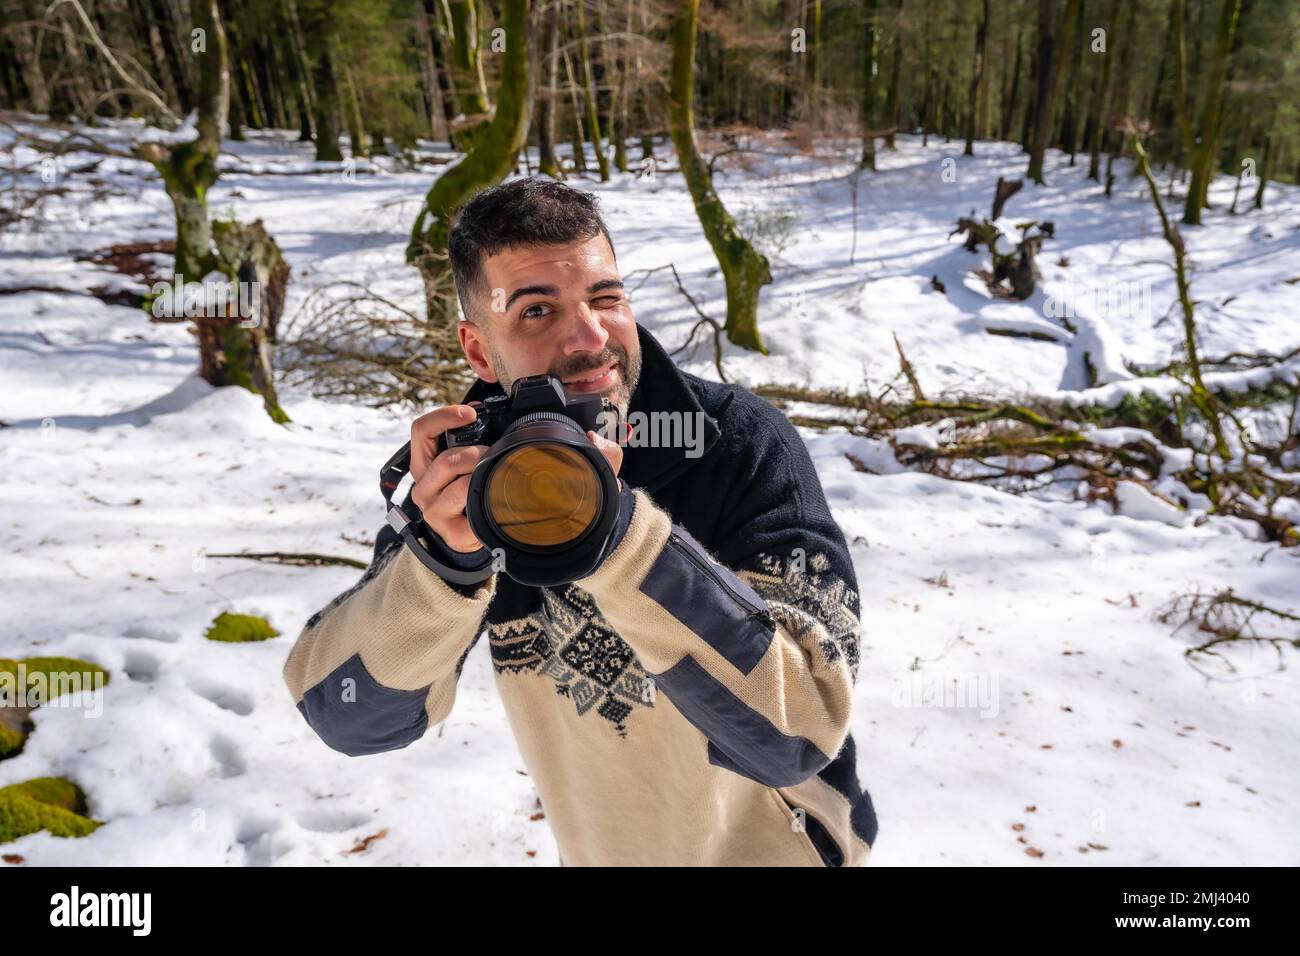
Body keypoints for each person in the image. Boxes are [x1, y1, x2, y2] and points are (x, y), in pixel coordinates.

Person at [282, 178, 878, 866]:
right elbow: (348, 717)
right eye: (537, 311)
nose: (591, 337)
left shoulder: (735, 444)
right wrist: (441, 567)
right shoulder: (473, 481)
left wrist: (620, 536)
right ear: (479, 351)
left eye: (606, 298)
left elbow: (799, 732)